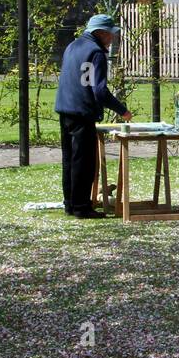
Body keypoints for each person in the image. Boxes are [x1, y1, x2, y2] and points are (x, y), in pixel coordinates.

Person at [55, 14, 132, 218]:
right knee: (84, 162)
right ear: (100, 33)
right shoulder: (96, 52)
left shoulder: (72, 46)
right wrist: (122, 110)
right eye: (110, 34)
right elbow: (100, 91)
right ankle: (82, 207)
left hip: (65, 109)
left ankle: (70, 204)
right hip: (82, 111)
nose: (112, 38)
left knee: (69, 160)